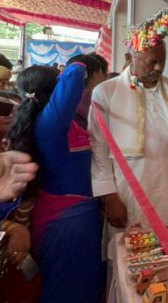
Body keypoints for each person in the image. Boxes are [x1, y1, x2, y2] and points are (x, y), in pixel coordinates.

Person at [9, 63, 106, 301]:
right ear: (56, 90)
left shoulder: (54, 123)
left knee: (83, 287)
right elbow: (75, 74)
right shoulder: (50, 123)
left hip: (76, 218)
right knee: (71, 291)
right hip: (67, 224)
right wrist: (70, 69)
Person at [90, 40, 168, 229]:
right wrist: (109, 195)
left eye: (162, 61)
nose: (158, 68)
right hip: (129, 186)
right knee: (130, 244)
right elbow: (99, 148)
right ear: (129, 58)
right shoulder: (106, 92)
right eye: (151, 62)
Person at [67, 53, 108, 129]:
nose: (104, 78)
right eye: (101, 73)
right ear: (95, 76)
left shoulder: (67, 98)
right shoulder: (95, 100)